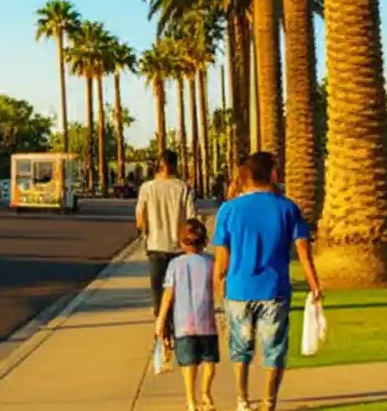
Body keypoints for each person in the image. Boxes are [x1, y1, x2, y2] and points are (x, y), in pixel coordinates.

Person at [212, 151, 321, 411]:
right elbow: (304, 254)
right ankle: (269, 401)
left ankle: (242, 400)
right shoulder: (287, 208)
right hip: (274, 290)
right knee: (274, 349)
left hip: (238, 290)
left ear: (245, 176)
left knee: (240, 348)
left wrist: (219, 292)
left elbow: (221, 260)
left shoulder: (228, 210)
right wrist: (315, 286)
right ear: (272, 175)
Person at [155, 218, 219, 411]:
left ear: (181, 242)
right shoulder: (211, 262)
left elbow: (168, 294)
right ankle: (206, 392)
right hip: (206, 320)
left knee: (188, 363)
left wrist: (160, 320)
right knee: (209, 361)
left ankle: (191, 401)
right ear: (205, 241)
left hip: (184, 323)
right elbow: (218, 288)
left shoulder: (175, 264)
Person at [136, 150, 197, 334]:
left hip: (155, 246)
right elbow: (191, 220)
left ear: (159, 165)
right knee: (178, 292)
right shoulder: (184, 188)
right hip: (179, 248)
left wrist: (144, 231)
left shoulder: (147, 188)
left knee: (158, 292)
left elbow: (140, 218)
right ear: (175, 165)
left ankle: (162, 331)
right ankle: (176, 328)